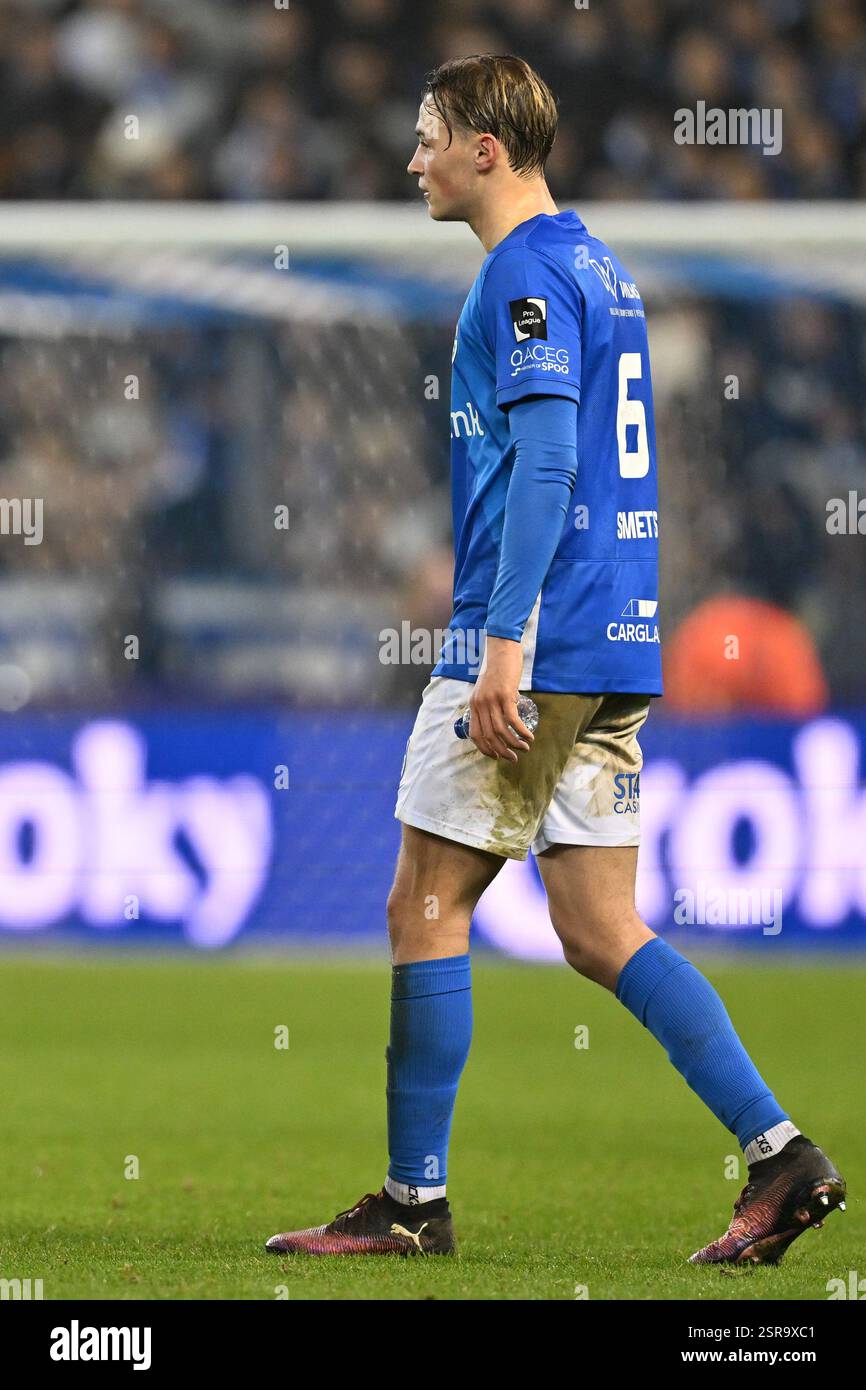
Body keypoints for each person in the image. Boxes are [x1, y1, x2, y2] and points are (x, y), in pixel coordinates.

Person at [266, 54, 845, 1265]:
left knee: (422, 906)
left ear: (486, 148)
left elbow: (544, 463)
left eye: (427, 134)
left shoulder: (522, 275)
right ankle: (779, 1151)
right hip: (617, 641)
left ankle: (413, 1203)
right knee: (595, 924)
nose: (410, 155)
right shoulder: (598, 266)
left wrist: (502, 641)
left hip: (535, 635)